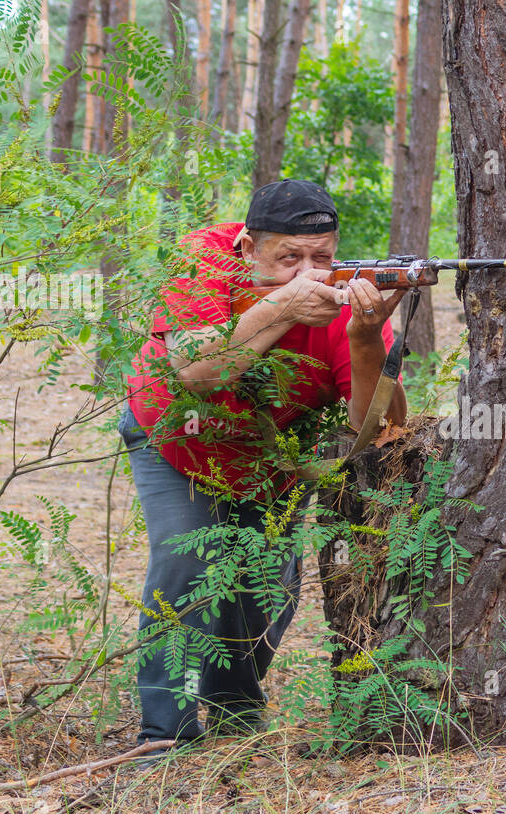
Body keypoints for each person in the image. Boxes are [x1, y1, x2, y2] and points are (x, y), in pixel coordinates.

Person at [119, 179, 408, 750]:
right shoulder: (207, 261)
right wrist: (281, 307)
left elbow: (378, 424)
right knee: (186, 562)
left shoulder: (345, 302)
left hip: (266, 460)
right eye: (288, 258)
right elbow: (198, 375)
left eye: (321, 258)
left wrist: (366, 338)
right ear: (248, 248)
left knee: (261, 587)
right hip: (176, 438)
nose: (308, 271)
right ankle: (164, 734)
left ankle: (234, 720)